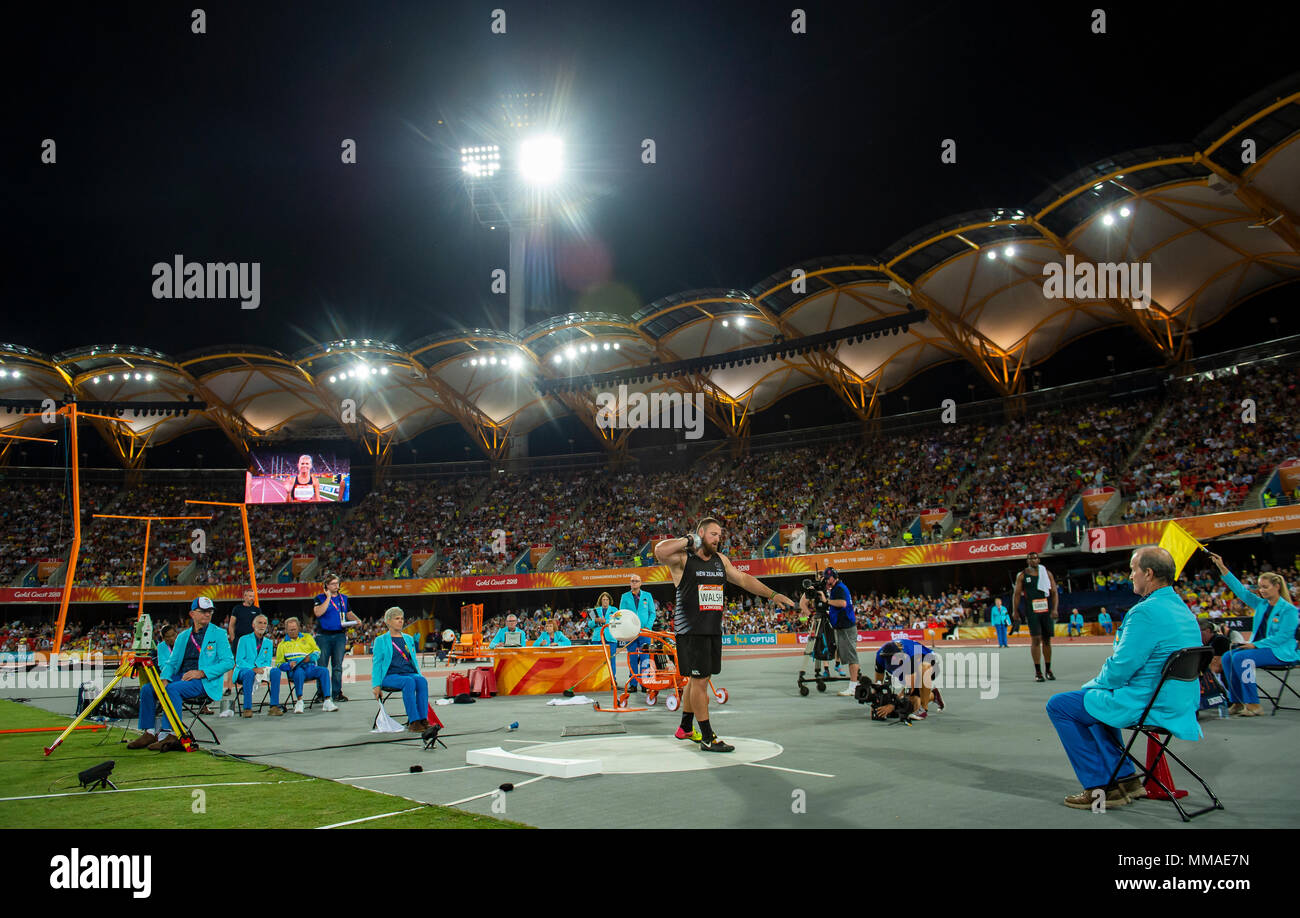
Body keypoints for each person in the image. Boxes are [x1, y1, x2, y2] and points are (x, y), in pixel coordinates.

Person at [1046, 546, 1202, 810]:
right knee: (1094, 701)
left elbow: (1121, 668)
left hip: (1149, 703)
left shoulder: (1145, 612)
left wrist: (1093, 685)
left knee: (1060, 705)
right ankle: (1126, 779)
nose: (1130, 576)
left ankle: (1099, 788)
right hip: (1181, 701)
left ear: (1148, 573)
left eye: (1133, 570)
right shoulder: (1183, 609)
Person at [654, 518, 795, 752]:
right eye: (713, 534)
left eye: (720, 535)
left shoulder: (721, 561)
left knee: (697, 679)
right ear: (700, 534)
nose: (718, 539)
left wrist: (772, 594)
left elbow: (743, 579)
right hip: (691, 631)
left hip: (711, 630)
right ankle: (708, 737)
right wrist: (689, 540)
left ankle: (685, 728)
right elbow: (659, 551)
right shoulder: (683, 559)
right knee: (700, 682)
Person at [126, 597, 233, 751]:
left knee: (172, 689)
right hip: (183, 677)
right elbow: (172, 663)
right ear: (192, 614)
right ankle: (149, 732)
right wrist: (164, 678)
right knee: (148, 689)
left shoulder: (219, 634)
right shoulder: (183, 636)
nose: (207, 614)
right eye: (202, 611)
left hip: (204, 681)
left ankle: (171, 734)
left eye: (210, 611)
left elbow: (228, 662)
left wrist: (202, 673)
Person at [1206, 552, 1298, 716]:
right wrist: (1221, 566)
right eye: (1259, 587)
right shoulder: (1261, 604)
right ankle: (1237, 701)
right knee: (1228, 657)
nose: (1261, 590)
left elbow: (1282, 638)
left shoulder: (1289, 610)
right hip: (1260, 649)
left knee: (1242, 658)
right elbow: (1240, 591)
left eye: (1265, 587)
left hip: (1281, 651)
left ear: (1277, 586)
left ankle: (1254, 704)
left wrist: (1254, 645)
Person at [371, 606, 429, 733]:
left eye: (402, 618)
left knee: (421, 680)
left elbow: (412, 659)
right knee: (408, 682)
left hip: (408, 673)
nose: (401, 621)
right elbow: (376, 664)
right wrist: (376, 685)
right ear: (388, 621)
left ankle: (423, 719)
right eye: (397, 618)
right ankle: (414, 721)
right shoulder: (381, 640)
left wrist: (418, 674)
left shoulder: (408, 638)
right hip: (390, 676)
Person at [1011, 551, 1060, 682]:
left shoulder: (1046, 573)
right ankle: (1038, 671)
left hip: (1046, 610)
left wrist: (1055, 609)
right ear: (1027, 561)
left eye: (1035, 558)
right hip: (1032, 611)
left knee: (1047, 640)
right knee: (1036, 639)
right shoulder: (1022, 576)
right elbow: (1016, 595)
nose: (1033, 560)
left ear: (1039, 560)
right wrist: (1015, 611)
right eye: (1030, 559)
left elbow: (1054, 592)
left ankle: (1048, 669)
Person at [312, 573, 360, 702]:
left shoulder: (343, 598)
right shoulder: (319, 598)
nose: (336, 586)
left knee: (337, 666)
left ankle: (336, 693)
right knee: (322, 665)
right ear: (326, 585)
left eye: (337, 583)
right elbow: (318, 612)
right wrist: (328, 598)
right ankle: (322, 693)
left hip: (339, 635)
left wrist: (357, 619)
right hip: (323, 636)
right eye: (333, 583)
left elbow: (348, 613)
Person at [274, 617, 337, 712]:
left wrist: (311, 658)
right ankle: (299, 701)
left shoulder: (307, 637)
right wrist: (288, 665)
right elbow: (278, 664)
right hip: (294, 670)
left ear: (298, 628)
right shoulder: (282, 645)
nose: (292, 631)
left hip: (309, 667)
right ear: (286, 630)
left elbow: (317, 651)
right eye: (290, 630)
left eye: (294, 629)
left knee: (324, 671)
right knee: (299, 672)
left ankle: (327, 701)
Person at [874, 638, 945, 718]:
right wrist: (876, 704)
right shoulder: (880, 657)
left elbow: (910, 688)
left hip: (929, 663)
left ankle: (923, 709)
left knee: (924, 669)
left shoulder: (913, 657)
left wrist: (892, 705)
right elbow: (878, 683)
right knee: (910, 702)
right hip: (907, 667)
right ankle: (933, 695)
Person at [233, 613, 283, 717]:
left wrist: (261, 668)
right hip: (244, 670)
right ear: (253, 625)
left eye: (265, 623)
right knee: (249, 674)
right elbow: (239, 660)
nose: (262, 625)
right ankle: (247, 708)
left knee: (276, 671)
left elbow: (267, 662)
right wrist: (253, 669)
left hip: (261, 669)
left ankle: (274, 706)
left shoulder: (268, 643)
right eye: (260, 623)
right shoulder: (243, 639)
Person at [222, 587, 261, 715]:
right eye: (249, 596)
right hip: (238, 640)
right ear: (244, 597)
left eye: (253, 596)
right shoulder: (237, 609)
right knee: (234, 663)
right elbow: (232, 624)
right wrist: (232, 637)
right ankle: (229, 687)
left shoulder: (257, 610)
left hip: (251, 642)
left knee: (250, 663)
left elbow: (260, 624)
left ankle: (246, 685)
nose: (252, 598)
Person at [821, 568, 860, 696]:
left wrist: (826, 601)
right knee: (849, 656)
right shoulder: (837, 588)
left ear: (834, 577)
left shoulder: (839, 588)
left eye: (828, 578)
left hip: (846, 627)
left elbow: (842, 603)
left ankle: (854, 686)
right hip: (843, 626)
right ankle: (854, 684)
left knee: (851, 656)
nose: (827, 580)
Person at [620, 574, 656, 692]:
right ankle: (633, 683)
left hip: (645, 632)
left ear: (641, 583)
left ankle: (645, 683)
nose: (634, 583)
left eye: (637, 581)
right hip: (631, 633)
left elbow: (652, 613)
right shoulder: (624, 597)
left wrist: (648, 626)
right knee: (633, 658)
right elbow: (622, 614)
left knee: (645, 657)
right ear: (630, 583)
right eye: (632, 581)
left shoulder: (647, 596)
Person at [588, 592, 619, 682]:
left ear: (609, 601)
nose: (605, 601)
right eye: (603, 600)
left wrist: (605, 621)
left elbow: (618, 621)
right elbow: (590, 624)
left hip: (611, 638)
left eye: (607, 599)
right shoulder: (594, 611)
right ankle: (598, 681)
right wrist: (596, 620)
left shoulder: (615, 609)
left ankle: (612, 680)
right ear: (600, 601)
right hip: (597, 638)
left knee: (611, 660)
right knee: (597, 660)